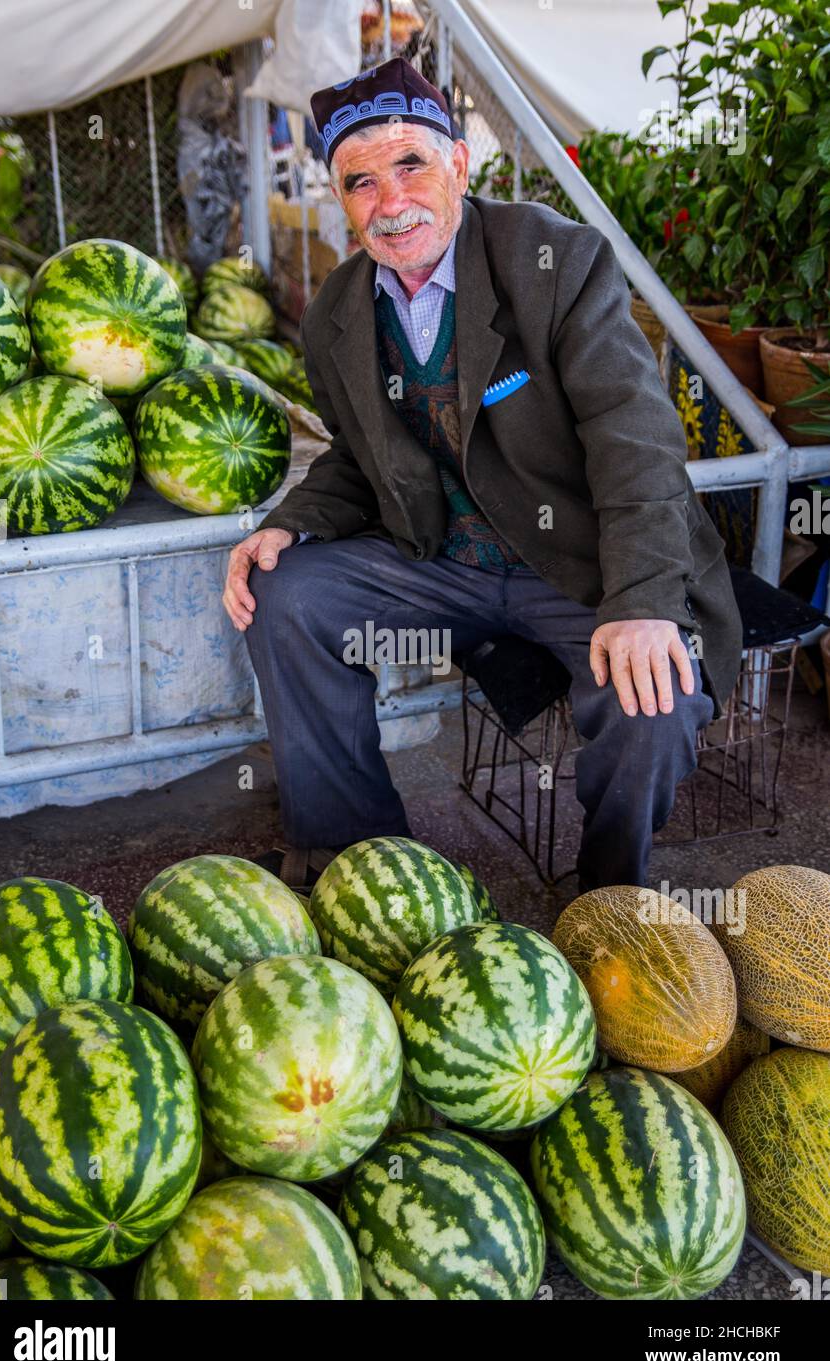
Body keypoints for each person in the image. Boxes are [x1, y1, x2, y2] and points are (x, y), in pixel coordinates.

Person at [221, 57, 742, 890]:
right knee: (289, 596)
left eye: (411, 165)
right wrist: (289, 522)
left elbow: (633, 436)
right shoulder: (337, 316)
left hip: (579, 563)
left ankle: (606, 897)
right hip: (445, 566)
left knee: (658, 698)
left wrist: (642, 603)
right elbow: (360, 459)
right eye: (361, 182)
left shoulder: (555, 261)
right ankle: (360, 864)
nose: (390, 203)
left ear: (461, 164)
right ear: (340, 198)